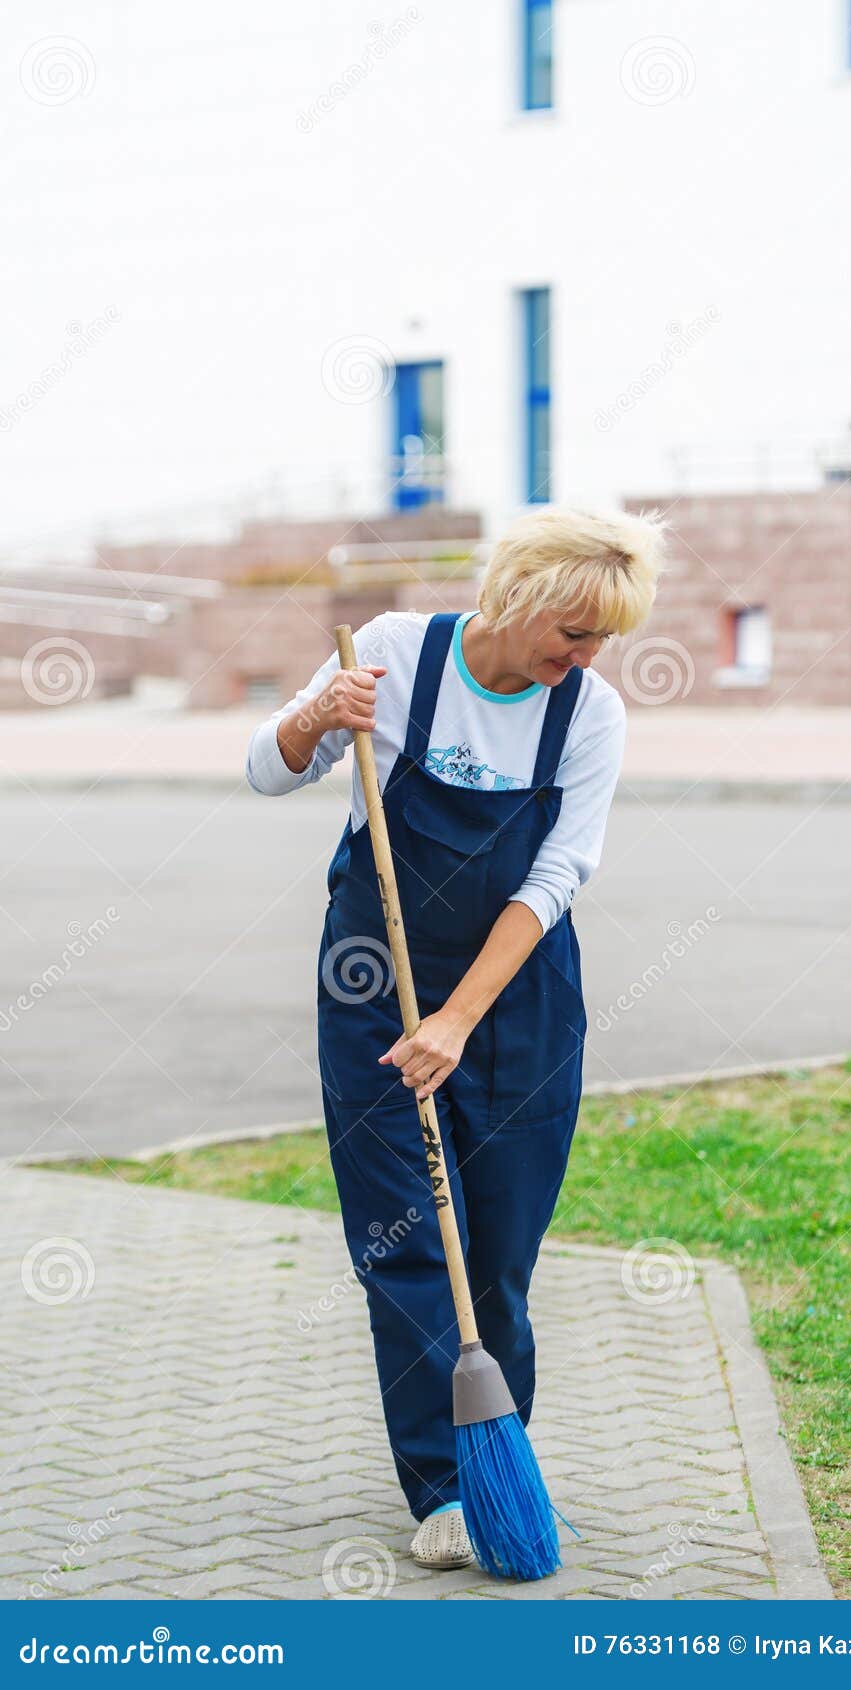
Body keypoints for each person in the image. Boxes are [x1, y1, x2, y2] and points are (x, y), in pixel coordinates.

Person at [245, 505, 664, 1570]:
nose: (582, 658)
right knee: (407, 1243)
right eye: (571, 631)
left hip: (514, 999)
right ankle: (441, 1488)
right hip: (375, 989)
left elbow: (558, 872)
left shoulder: (589, 713)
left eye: (600, 641)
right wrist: (314, 721)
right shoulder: (388, 656)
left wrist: (461, 1017)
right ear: (516, 594)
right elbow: (267, 768)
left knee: (501, 1250)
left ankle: (496, 1461)